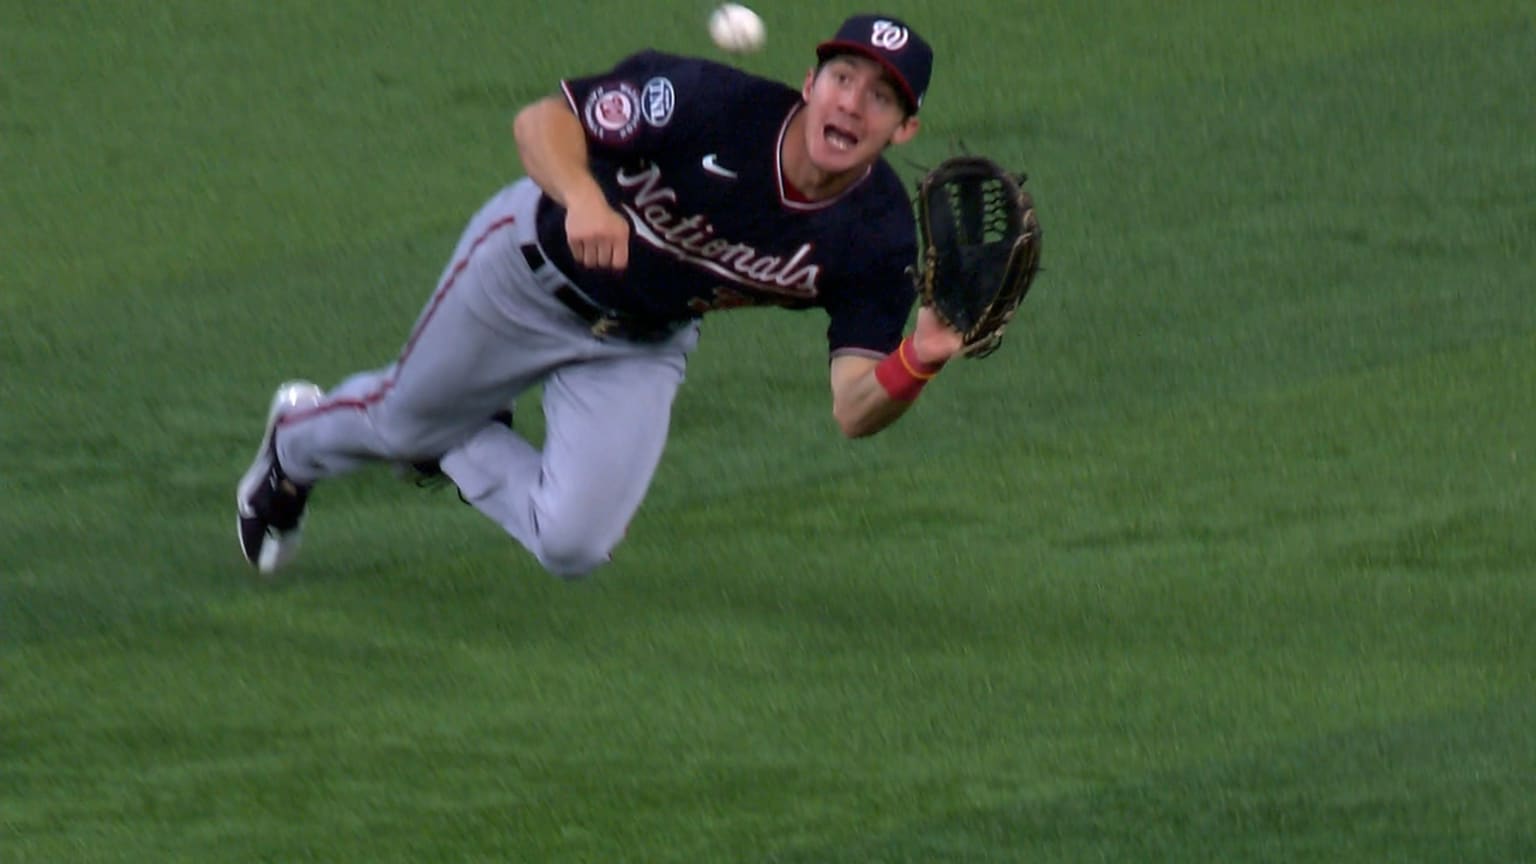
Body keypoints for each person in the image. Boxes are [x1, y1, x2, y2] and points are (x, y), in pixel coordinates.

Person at [236, 13, 965, 578]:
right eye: (843, 78)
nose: (853, 104)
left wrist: (920, 357)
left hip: (643, 343)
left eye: (880, 98)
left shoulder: (878, 237)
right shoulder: (706, 102)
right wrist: (583, 196)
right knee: (398, 428)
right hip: (524, 279)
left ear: (904, 130)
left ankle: (460, 428)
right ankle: (292, 446)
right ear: (810, 83)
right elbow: (541, 121)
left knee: (574, 546)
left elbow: (852, 407)